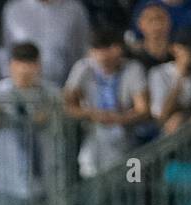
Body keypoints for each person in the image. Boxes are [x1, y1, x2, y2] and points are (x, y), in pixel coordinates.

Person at [0, 42, 55, 205]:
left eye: (30, 65)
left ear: (38, 65)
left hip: (44, 175)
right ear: (11, 65)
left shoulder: (51, 93)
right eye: (20, 65)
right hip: (8, 175)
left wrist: (50, 115)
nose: (24, 71)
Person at [62, 27, 149, 178]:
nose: (103, 55)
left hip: (128, 141)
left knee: (132, 185)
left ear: (119, 49)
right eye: (98, 49)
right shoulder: (83, 67)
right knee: (91, 179)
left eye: (108, 48)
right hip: (93, 139)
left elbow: (143, 109)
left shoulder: (133, 68)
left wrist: (117, 118)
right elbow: (67, 105)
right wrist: (92, 114)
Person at [1, 0, 91, 88]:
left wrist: (72, 87)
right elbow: (5, 51)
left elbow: (81, 52)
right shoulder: (13, 9)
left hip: (62, 87)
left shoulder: (74, 9)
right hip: (22, 89)